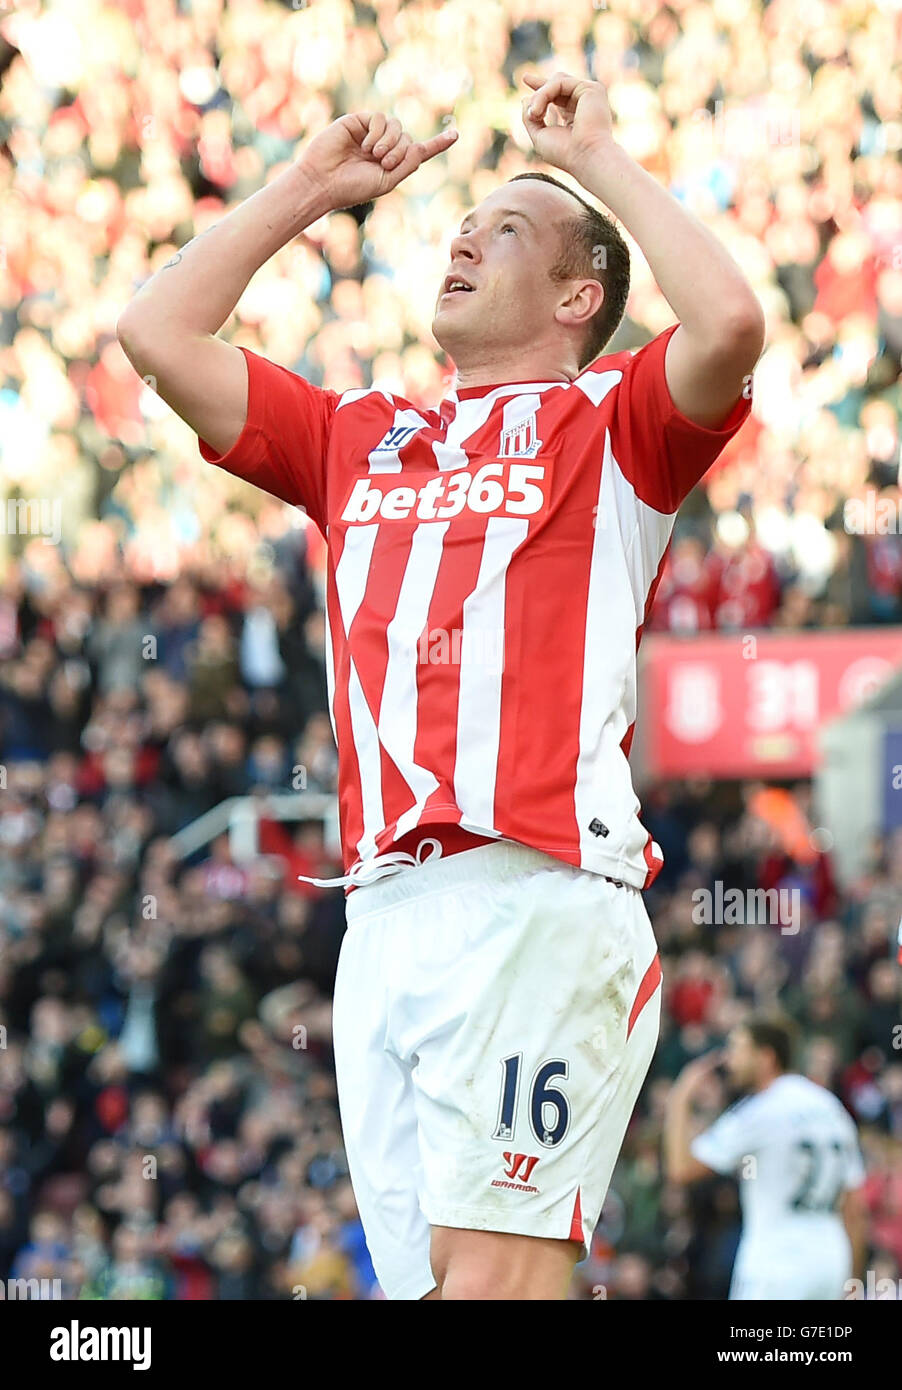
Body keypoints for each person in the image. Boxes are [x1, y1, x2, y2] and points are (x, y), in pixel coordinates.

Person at [117, 69, 764, 1301]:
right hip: (384, 920)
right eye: (464, 227)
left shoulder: (610, 425)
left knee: (492, 1286)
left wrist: (603, 164)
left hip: (534, 895)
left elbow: (730, 324)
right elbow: (156, 335)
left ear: (580, 295)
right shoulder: (357, 436)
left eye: (506, 229)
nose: (463, 236)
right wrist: (306, 189)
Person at [664, 1018, 868, 1300]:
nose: (729, 1061)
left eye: (737, 1050)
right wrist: (853, 1279)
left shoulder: (759, 1111)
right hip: (831, 1260)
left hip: (777, 1264)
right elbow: (855, 1207)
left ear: (765, 1057)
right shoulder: (831, 1107)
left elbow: (680, 1170)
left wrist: (680, 1098)